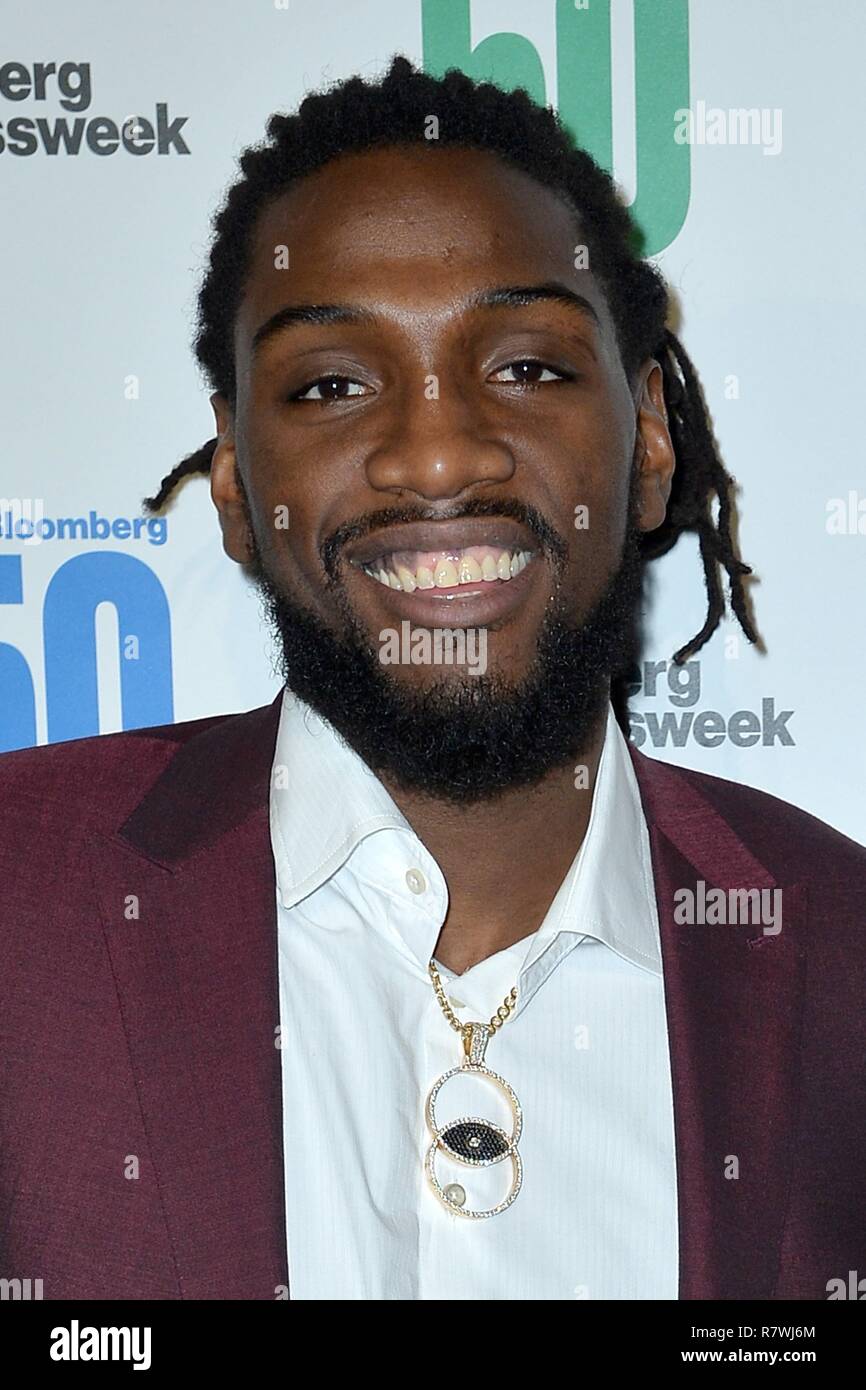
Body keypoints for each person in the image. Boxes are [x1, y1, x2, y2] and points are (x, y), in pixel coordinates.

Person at [1, 55, 863, 1302]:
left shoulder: (835, 953)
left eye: (525, 366)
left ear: (652, 441)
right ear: (238, 489)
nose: (438, 449)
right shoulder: (23, 904)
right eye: (331, 385)